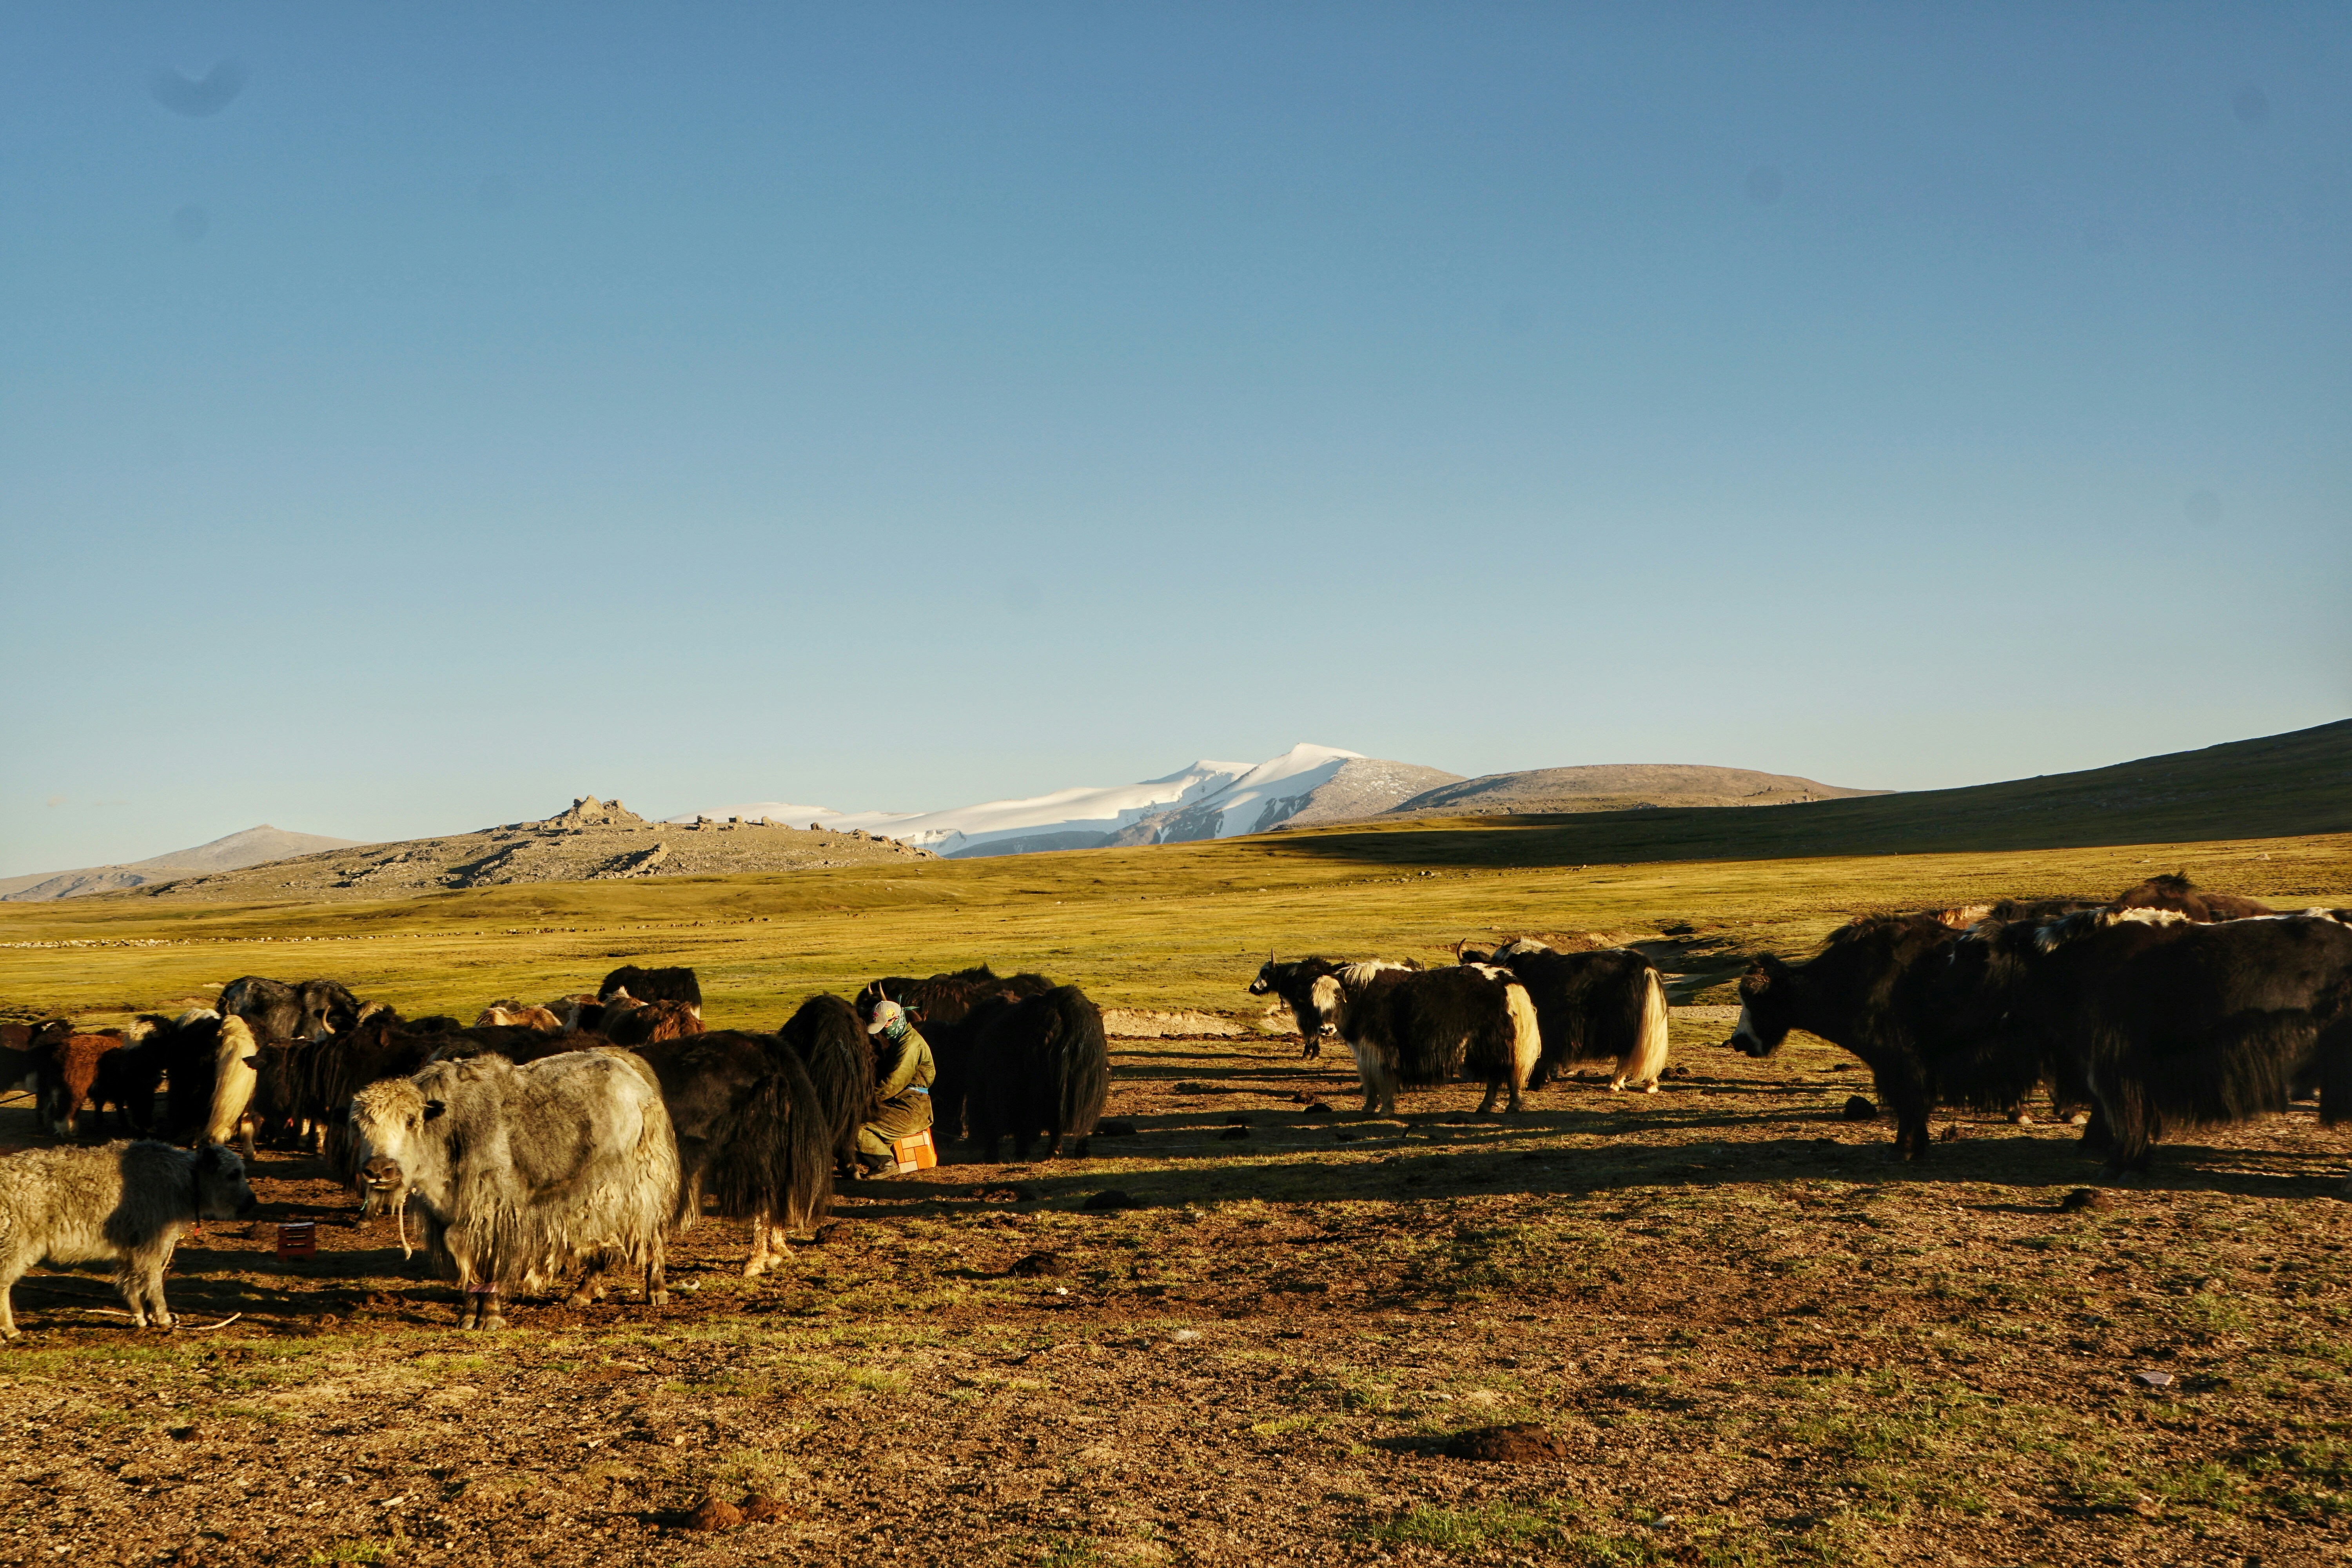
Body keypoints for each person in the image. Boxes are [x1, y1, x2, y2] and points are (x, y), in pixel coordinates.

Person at [856, 998, 935, 1176]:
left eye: (884, 1026)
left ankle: (886, 1163)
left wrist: (863, 1102)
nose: (883, 1032)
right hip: (902, 1103)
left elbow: (892, 1084)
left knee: (856, 1129)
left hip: (911, 1108)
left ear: (895, 1020)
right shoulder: (901, 1042)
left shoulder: (910, 1046)